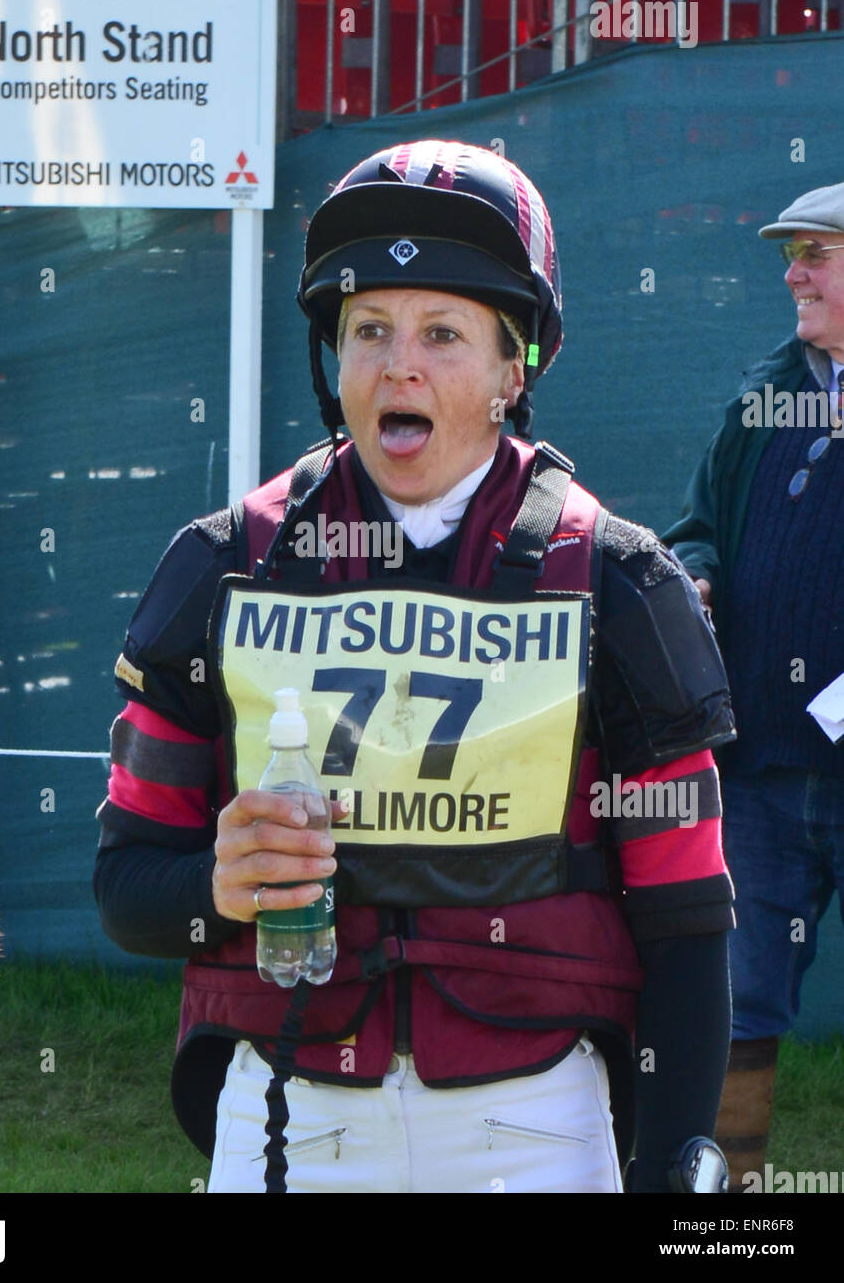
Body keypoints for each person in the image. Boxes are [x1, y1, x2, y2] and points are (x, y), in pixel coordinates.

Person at [94, 139, 736, 1194]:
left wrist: (675, 1163)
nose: (401, 366)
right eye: (370, 330)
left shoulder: (619, 584)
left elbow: (687, 917)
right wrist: (217, 888)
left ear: (512, 366)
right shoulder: (221, 566)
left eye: (444, 333)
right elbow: (128, 890)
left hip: (533, 1127)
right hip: (289, 1117)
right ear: (331, 357)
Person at [664, 181, 844, 1190]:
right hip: (764, 774)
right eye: (791, 254)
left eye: (816, 253)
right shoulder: (761, 395)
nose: (792, 274)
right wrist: (696, 573)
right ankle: (729, 1215)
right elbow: (700, 525)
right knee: (735, 1006)